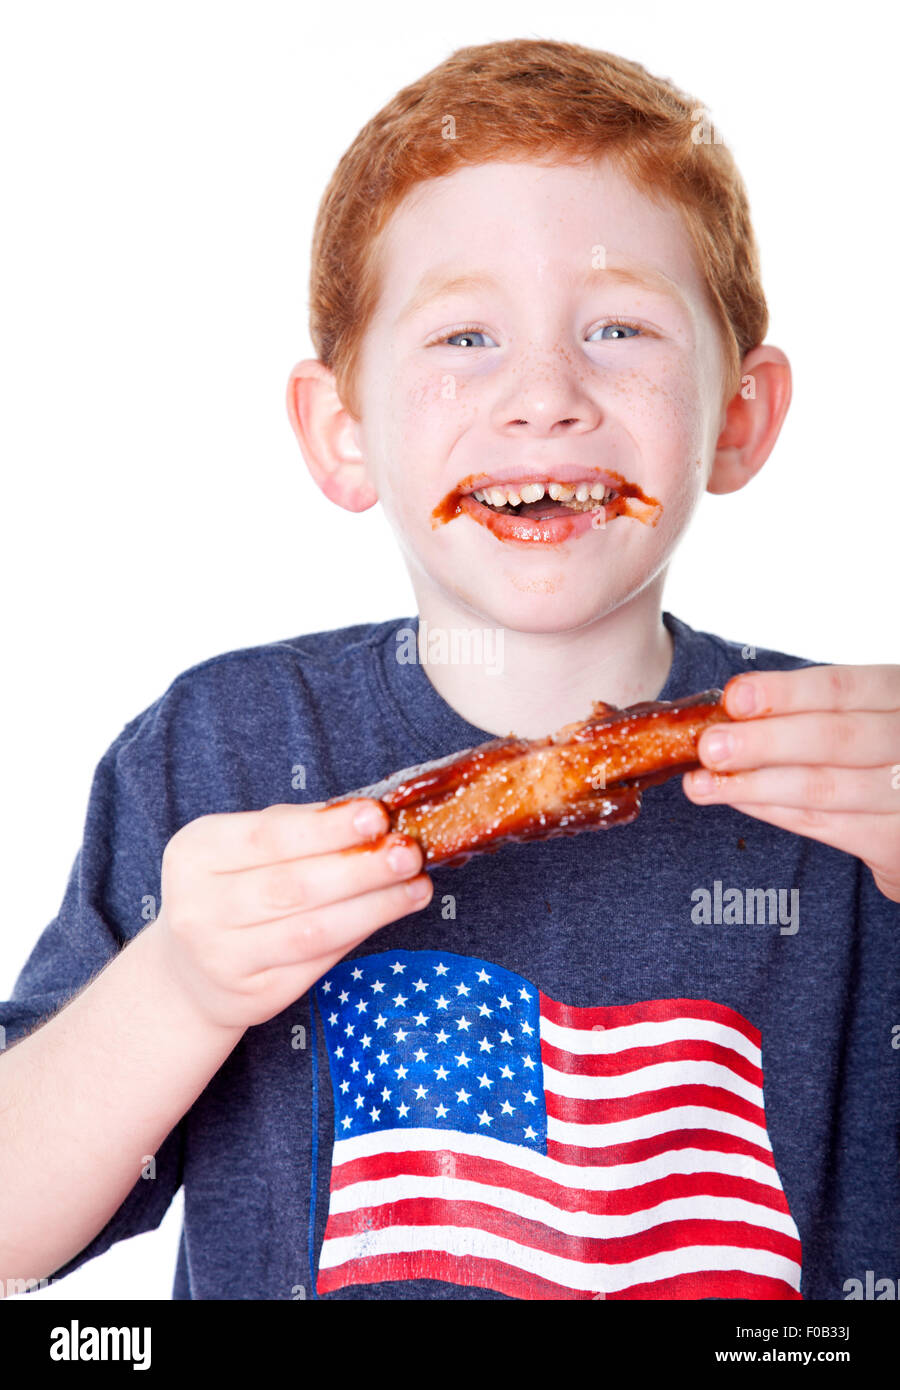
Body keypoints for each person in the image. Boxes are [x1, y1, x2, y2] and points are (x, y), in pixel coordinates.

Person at [1, 37, 897, 1302]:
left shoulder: (866, 768)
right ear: (342, 429)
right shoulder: (222, 748)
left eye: (620, 327)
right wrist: (183, 983)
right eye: (467, 335)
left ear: (741, 413)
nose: (544, 394)